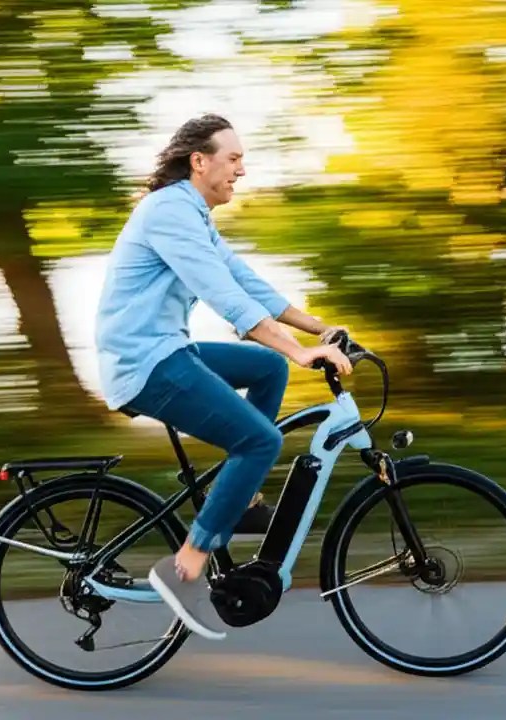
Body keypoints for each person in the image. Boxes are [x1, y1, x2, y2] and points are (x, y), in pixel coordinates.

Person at [94, 113, 353, 640]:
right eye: (233, 159)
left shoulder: (193, 214)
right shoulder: (168, 212)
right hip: (144, 364)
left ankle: (242, 501)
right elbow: (224, 295)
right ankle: (186, 564)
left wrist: (316, 327)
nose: (242, 171)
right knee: (258, 441)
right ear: (200, 161)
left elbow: (243, 278)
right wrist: (299, 352)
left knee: (264, 366)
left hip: (166, 349)